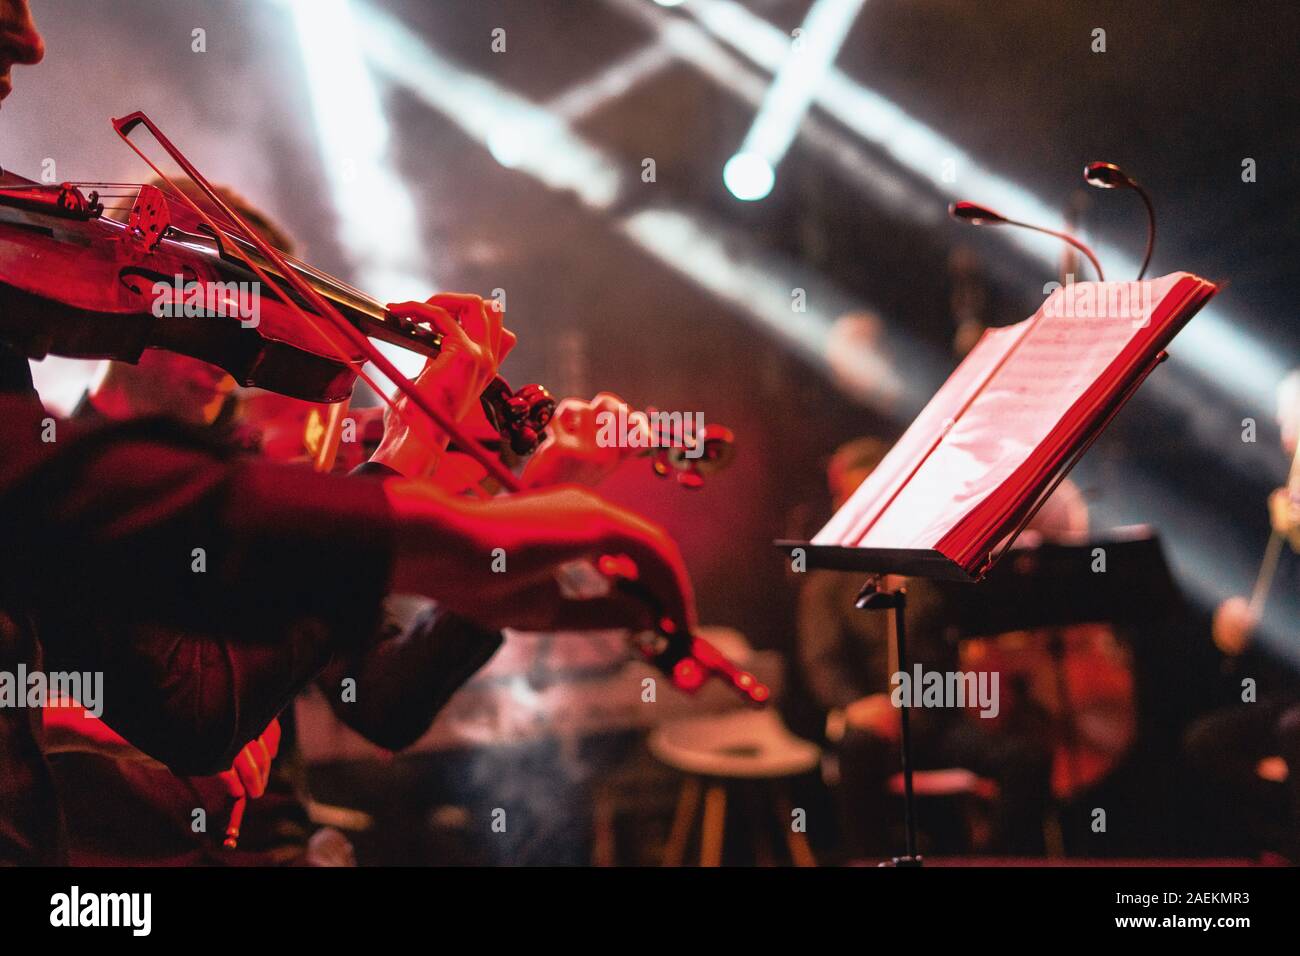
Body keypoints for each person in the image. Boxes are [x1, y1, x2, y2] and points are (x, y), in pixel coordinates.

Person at [0, 0, 695, 864]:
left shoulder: (256, 475)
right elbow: (183, 709)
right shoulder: (54, 479)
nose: (229, 349)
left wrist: (532, 495)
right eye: (214, 306)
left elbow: (383, 700)